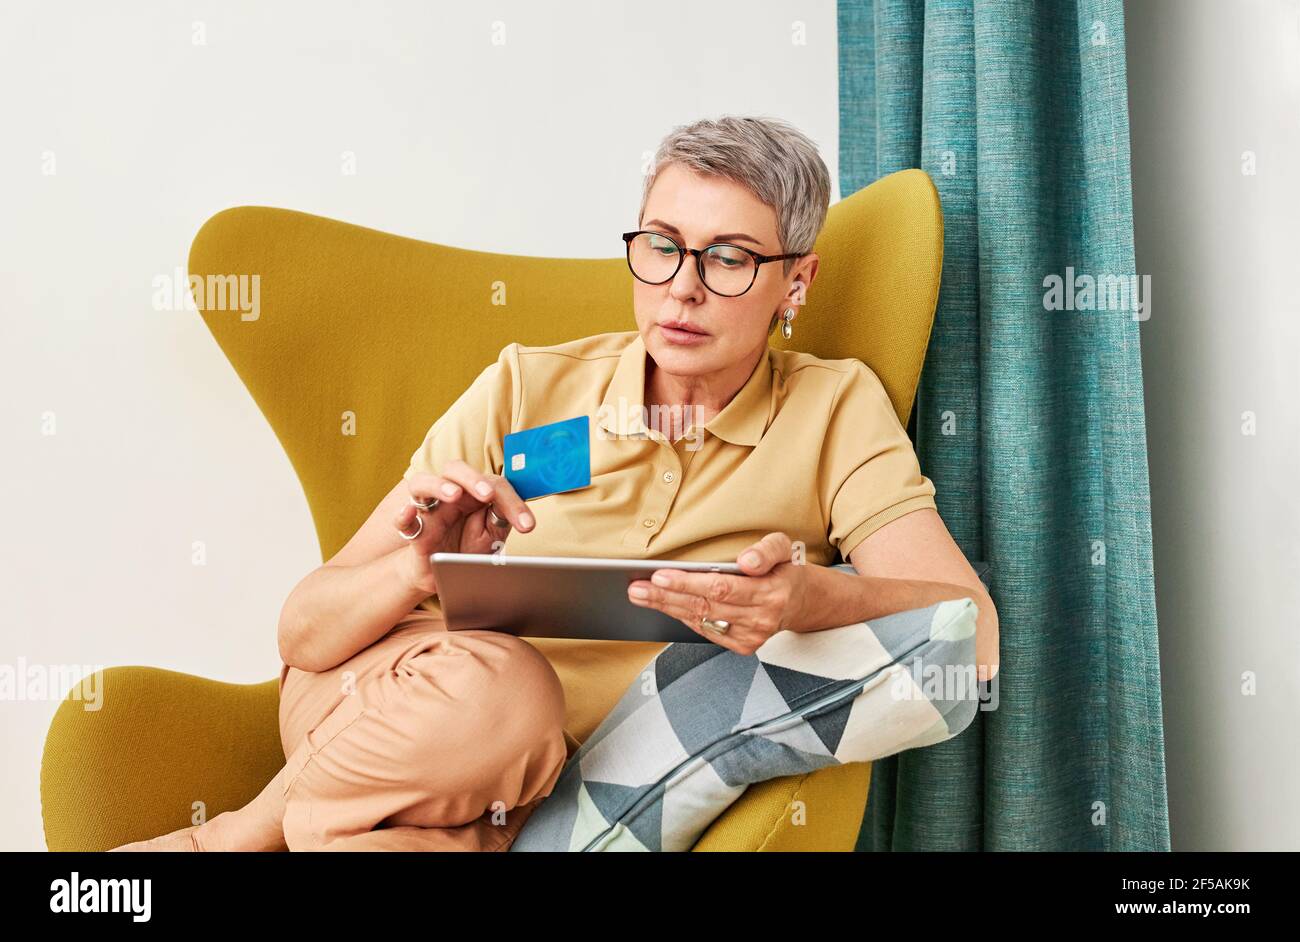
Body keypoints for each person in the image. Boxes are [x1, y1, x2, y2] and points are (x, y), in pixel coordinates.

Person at [110, 115, 998, 852]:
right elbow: (303, 632)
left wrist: (809, 600)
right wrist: (412, 574)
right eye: (661, 247)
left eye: (728, 259)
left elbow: (972, 634)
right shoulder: (525, 386)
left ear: (794, 282)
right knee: (507, 691)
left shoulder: (836, 409)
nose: (681, 290)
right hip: (384, 709)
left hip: (523, 802)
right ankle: (231, 838)